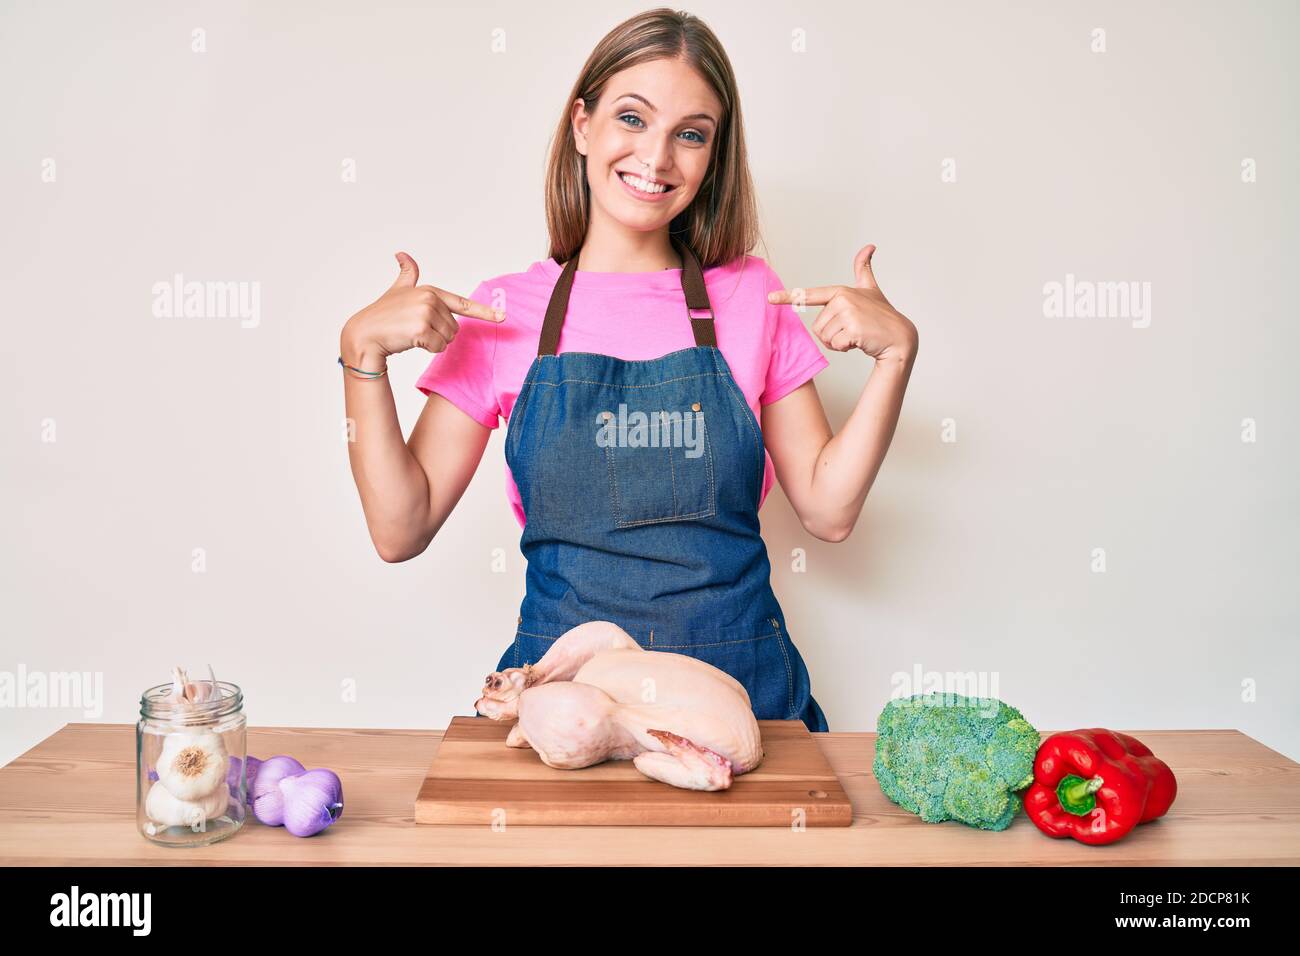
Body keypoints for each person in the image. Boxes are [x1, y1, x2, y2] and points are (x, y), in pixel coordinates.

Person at [337, 9, 918, 733]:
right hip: (562, 703)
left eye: (691, 134)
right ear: (582, 125)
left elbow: (829, 511)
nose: (658, 157)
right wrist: (359, 357)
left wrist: (895, 359)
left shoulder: (751, 298)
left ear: (713, 156)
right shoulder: (505, 311)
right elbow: (401, 528)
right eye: (632, 118)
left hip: (742, 705)